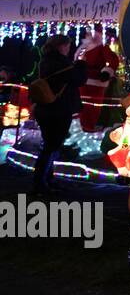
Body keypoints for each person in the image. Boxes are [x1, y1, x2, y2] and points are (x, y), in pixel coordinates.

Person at [30, 35, 87, 195]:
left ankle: (46, 179)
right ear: (61, 46)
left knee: (50, 145)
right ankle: (40, 183)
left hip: (45, 108)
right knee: (51, 146)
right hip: (58, 109)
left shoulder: (45, 61)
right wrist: (81, 63)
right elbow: (79, 79)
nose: (68, 49)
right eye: (67, 46)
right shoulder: (60, 63)